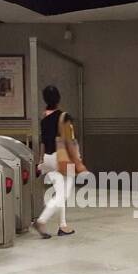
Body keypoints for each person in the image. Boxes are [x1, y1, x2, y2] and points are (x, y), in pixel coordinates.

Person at [32, 85, 87, 239]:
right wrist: (78, 161)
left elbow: (43, 142)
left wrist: (40, 161)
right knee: (63, 194)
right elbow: (70, 141)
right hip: (62, 158)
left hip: (48, 159)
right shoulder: (64, 116)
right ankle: (41, 220)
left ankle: (63, 226)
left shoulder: (44, 118)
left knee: (59, 192)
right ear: (58, 98)